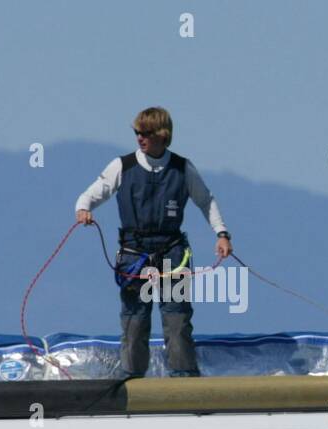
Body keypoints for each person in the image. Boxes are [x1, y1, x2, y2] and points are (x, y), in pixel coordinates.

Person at [75, 107, 232, 378]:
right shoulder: (122, 166)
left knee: (177, 319)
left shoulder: (183, 168)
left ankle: (184, 379)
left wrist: (221, 234)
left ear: (163, 135)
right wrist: (83, 209)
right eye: (137, 133)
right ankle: (131, 380)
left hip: (172, 252)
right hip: (134, 254)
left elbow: (206, 201)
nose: (140, 138)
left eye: (146, 133)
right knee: (135, 319)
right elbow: (91, 195)